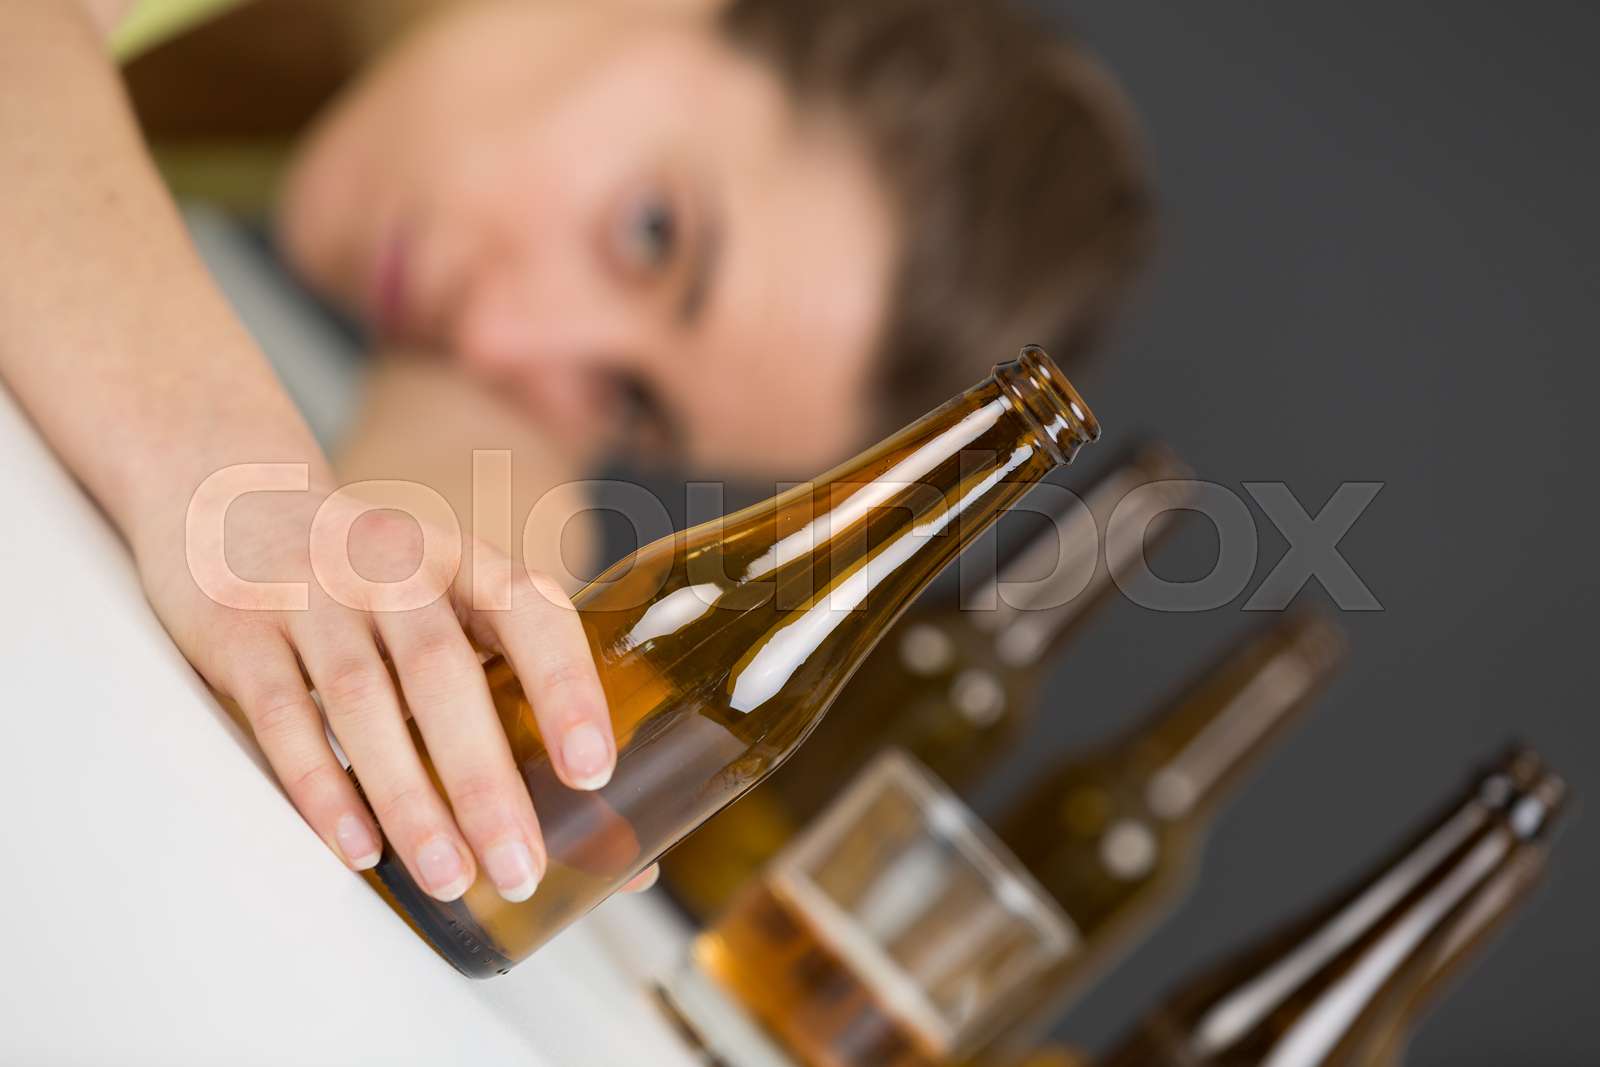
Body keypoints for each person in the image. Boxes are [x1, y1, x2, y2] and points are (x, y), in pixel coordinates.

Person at [0, 0, 1150, 913]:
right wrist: (232, 476)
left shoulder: (419, 103)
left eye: (630, 400)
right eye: (651, 234)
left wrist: (505, 704)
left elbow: (482, 451)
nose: (510, 336)